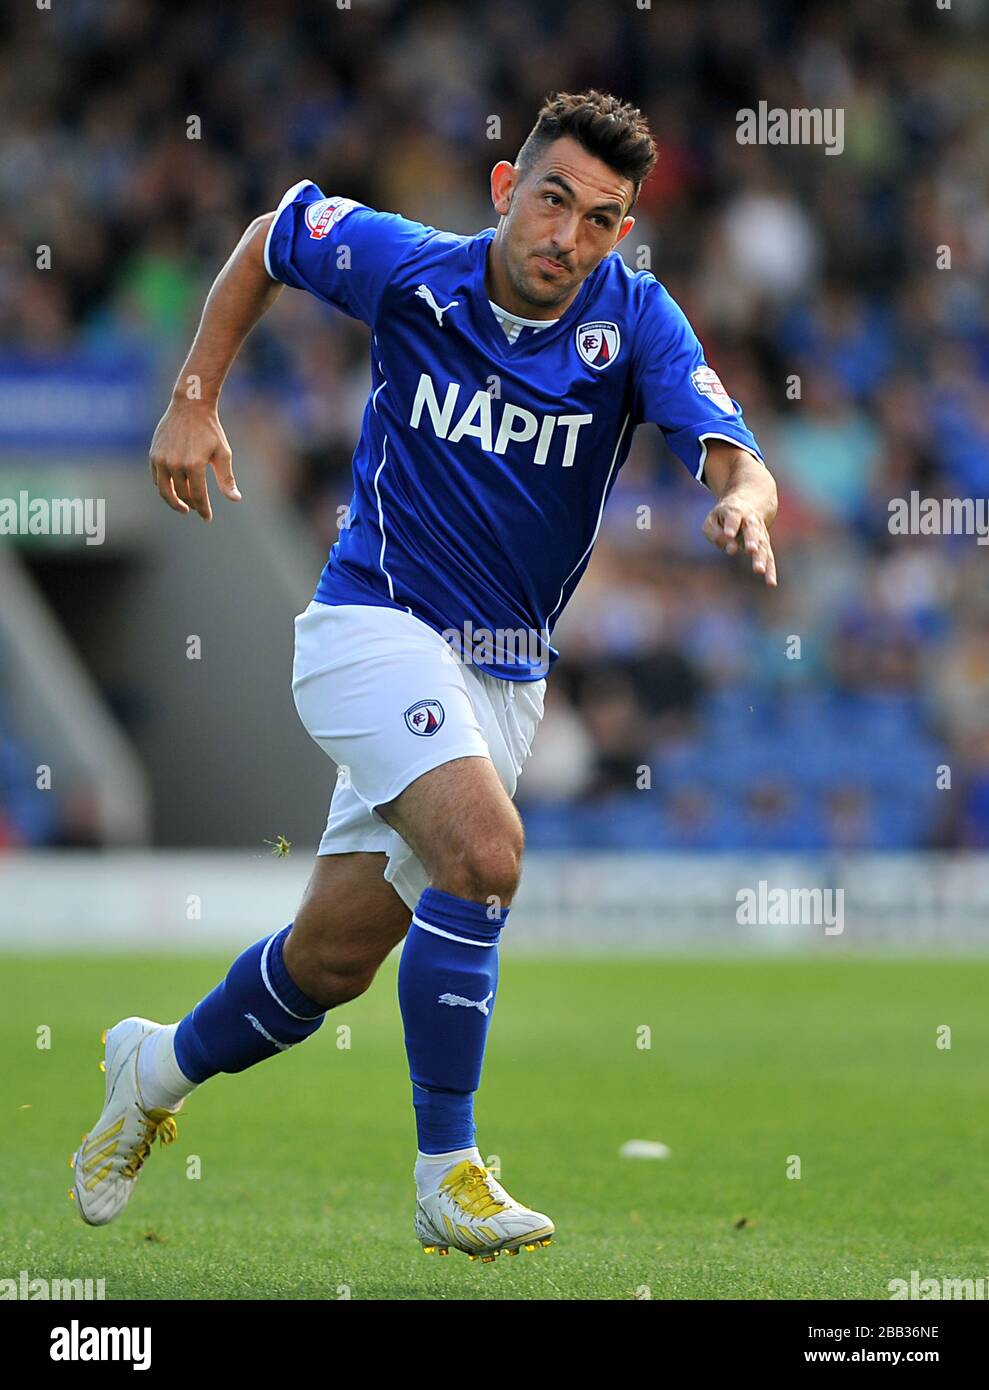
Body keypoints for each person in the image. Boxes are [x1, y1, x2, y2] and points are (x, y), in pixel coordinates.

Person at [73, 89, 778, 1260]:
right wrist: (194, 396)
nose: (567, 236)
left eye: (600, 220)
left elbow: (723, 440)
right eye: (551, 199)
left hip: (501, 683)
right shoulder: (411, 269)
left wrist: (745, 495)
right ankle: (446, 1171)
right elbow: (270, 236)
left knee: (329, 963)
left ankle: (150, 1066)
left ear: (620, 234)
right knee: (488, 852)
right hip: (369, 630)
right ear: (507, 189)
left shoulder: (635, 321)